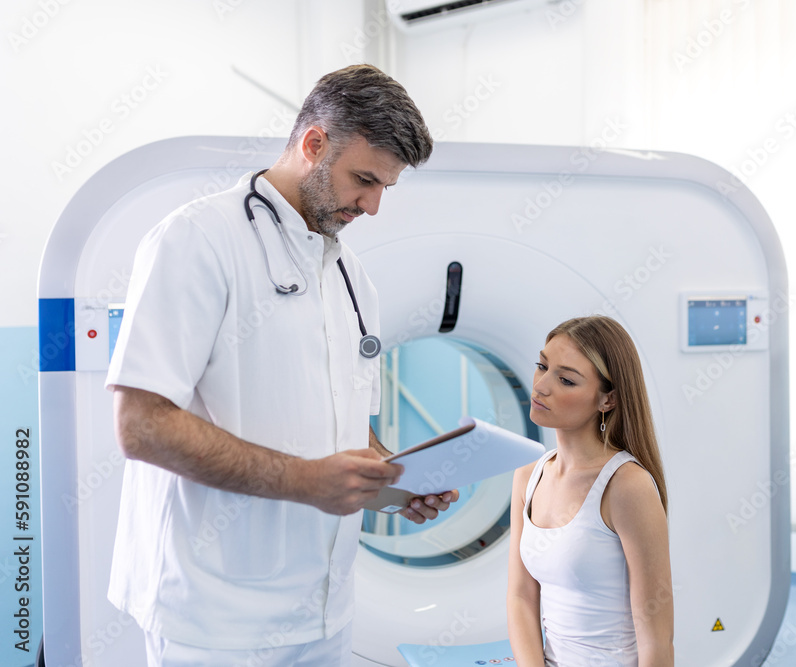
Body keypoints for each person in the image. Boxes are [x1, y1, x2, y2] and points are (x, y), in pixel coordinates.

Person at [106, 64, 456, 667]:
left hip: (325, 614)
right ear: (313, 143)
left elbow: (348, 429)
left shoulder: (353, 280)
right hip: (214, 618)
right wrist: (305, 481)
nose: (372, 206)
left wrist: (396, 481)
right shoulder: (198, 239)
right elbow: (141, 425)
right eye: (364, 180)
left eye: (385, 188)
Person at [507, 315, 674, 666]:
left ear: (607, 400)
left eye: (566, 379)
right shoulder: (527, 477)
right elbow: (521, 597)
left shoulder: (627, 486)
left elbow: (657, 640)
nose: (541, 386)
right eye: (542, 366)